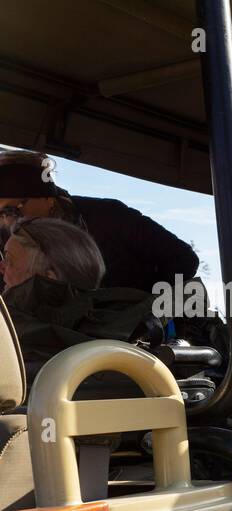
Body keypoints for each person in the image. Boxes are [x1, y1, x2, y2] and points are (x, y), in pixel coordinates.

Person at [0, 150, 199, 294]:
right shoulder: (6, 238)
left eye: (11, 210)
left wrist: (135, 309)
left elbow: (184, 259)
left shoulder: (110, 217)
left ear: (47, 198)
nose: (7, 221)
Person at [2, 217, 157, 369]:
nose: (1, 267)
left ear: (49, 279)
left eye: (9, 260)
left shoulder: (11, 340)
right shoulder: (120, 341)